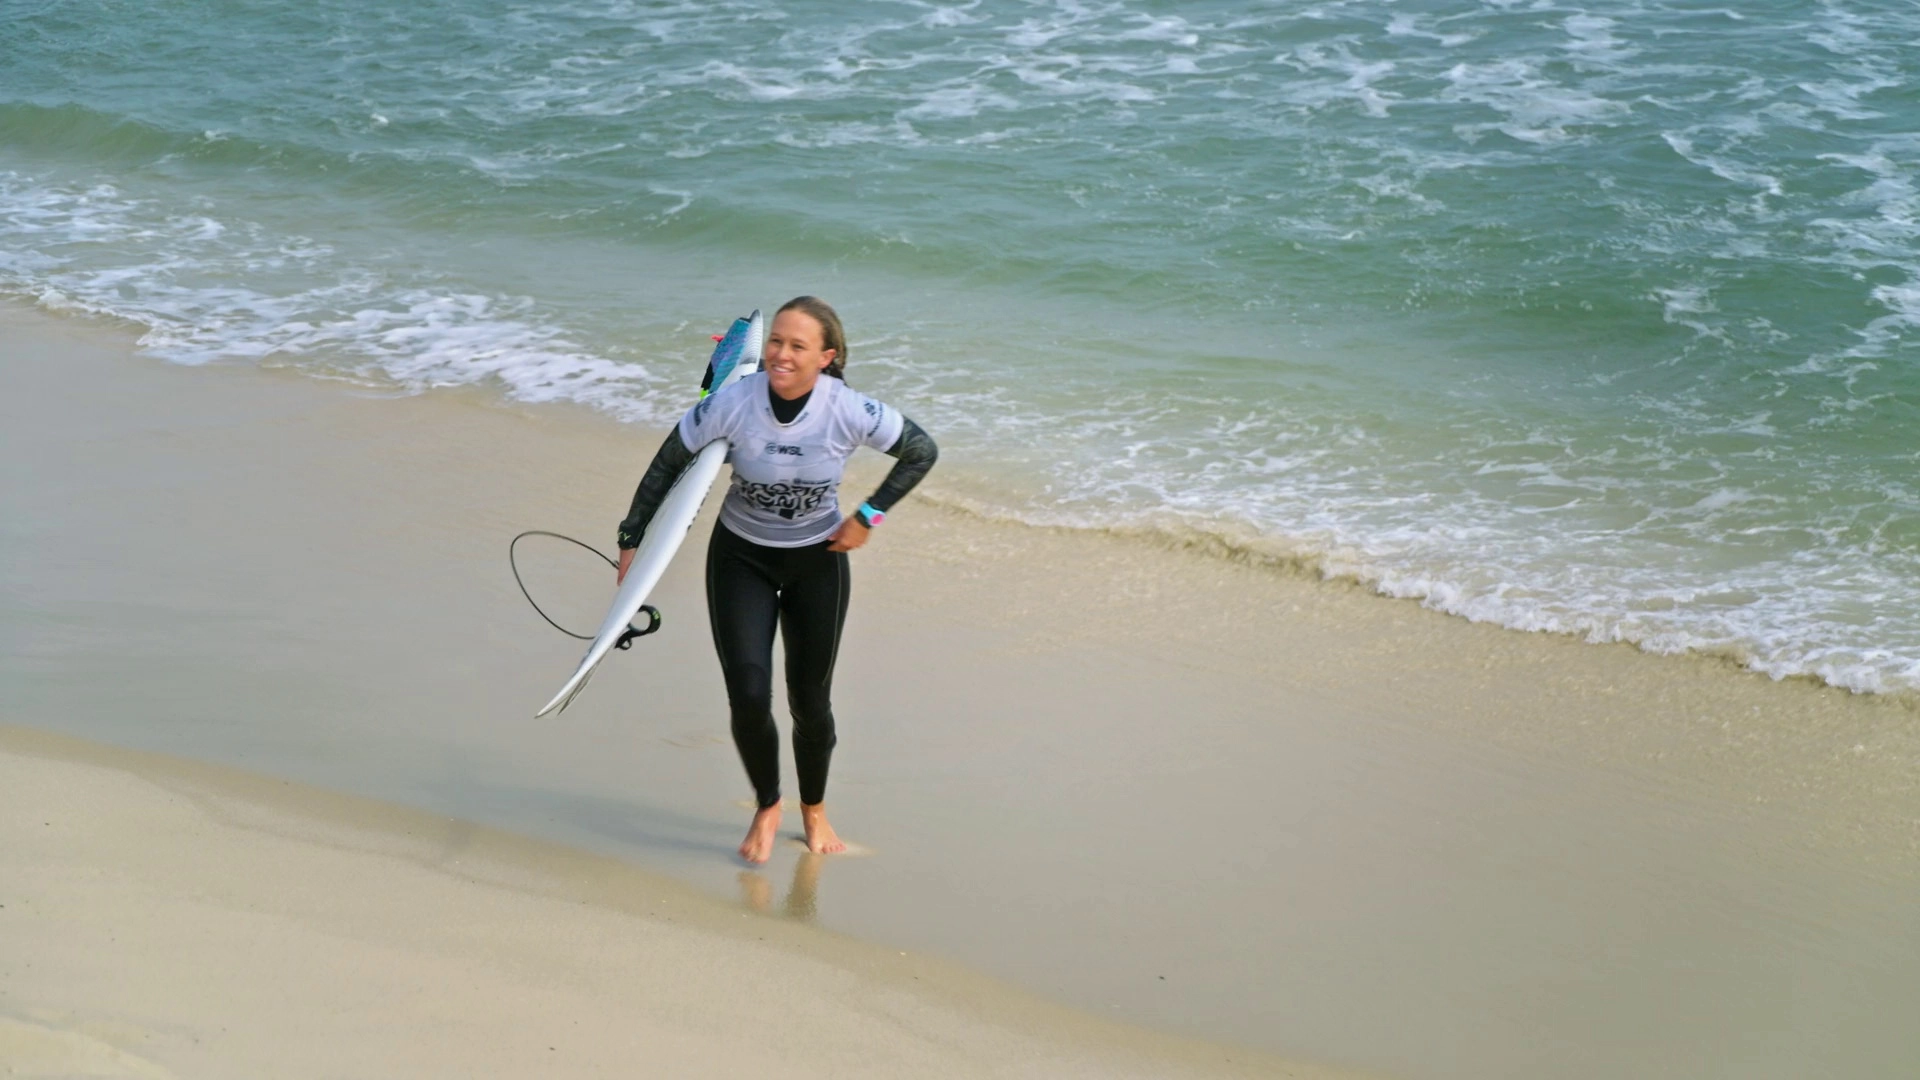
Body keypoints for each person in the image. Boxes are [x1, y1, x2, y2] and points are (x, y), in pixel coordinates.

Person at [615, 297, 938, 864]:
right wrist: (630, 539)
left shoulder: (848, 410)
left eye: (797, 346)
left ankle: (813, 808)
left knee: (810, 702)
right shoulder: (732, 403)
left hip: (818, 559)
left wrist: (868, 517)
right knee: (746, 692)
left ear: (827, 357)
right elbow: (669, 462)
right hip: (742, 559)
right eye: (775, 342)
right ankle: (769, 804)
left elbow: (920, 451)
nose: (781, 355)